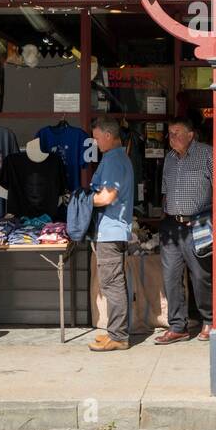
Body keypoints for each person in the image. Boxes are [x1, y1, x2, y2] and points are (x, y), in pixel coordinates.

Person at [156, 116, 215, 344]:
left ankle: (209, 320)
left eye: (177, 132)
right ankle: (178, 326)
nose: (172, 137)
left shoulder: (207, 154)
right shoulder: (169, 159)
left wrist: (210, 218)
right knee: (171, 277)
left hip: (199, 223)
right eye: (170, 133)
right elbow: (165, 192)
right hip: (171, 225)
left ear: (191, 134)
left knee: (200, 275)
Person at [90, 115, 136, 352]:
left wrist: (84, 201)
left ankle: (118, 336)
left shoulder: (113, 161)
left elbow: (107, 196)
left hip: (110, 231)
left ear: (108, 136)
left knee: (111, 283)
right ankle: (115, 332)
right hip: (115, 230)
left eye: (97, 138)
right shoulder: (118, 158)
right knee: (114, 282)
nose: (96, 143)